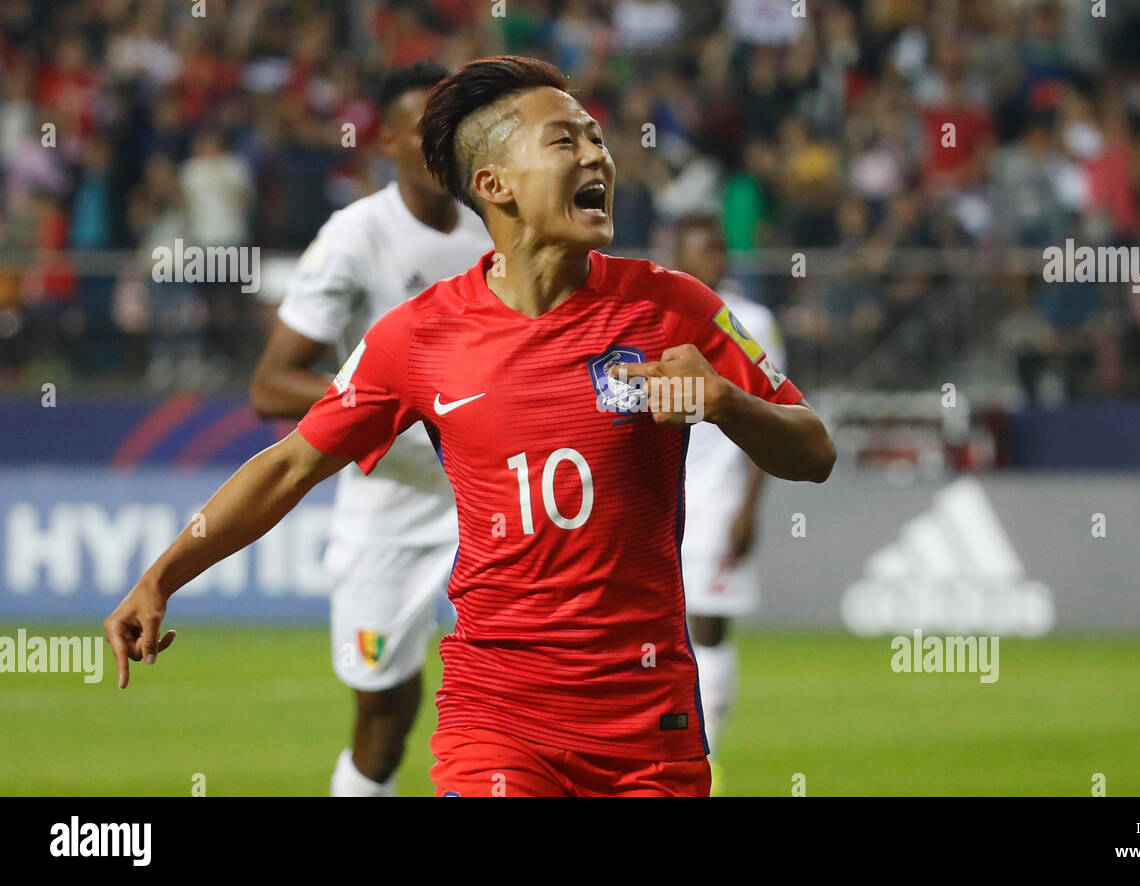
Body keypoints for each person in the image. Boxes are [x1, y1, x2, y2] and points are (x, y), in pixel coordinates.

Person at [105, 55, 836, 797]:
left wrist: (726, 403)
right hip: (497, 723)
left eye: (595, 138)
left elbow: (814, 449)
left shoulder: (675, 305)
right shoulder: (416, 338)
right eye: (563, 141)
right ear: (494, 185)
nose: (595, 155)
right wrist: (161, 577)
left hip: (649, 731)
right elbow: (290, 465)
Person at [249, 62, 490, 797]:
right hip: (391, 513)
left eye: (452, 131)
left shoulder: (490, 224)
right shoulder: (354, 238)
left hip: (489, 501)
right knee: (385, 723)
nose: (441, 146)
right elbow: (269, 384)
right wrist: (385, 400)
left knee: (525, 700)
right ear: (385, 141)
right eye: (424, 132)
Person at [671, 213, 783, 791]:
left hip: (720, 497)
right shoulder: (651, 315)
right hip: (657, 498)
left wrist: (750, 506)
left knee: (708, 626)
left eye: (718, 249)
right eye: (701, 249)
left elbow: (773, 412)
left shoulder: (752, 320)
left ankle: (706, 755)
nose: (713, 259)